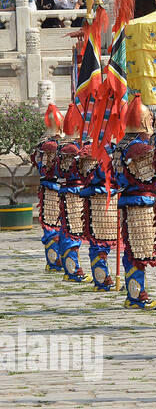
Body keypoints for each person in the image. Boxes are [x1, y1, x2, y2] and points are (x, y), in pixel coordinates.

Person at [114, 96, 156, 311]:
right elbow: (150, 177)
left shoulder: (123, 144)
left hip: (131, 200)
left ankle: (135, 293)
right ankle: (136, 296)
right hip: (139, 202)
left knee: (133, 250)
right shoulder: (139, 148)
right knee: (138, 252)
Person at [77, 133, 117, 292]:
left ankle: (104, 278)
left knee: (107, 241)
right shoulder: (89, 149)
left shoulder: (112, 147)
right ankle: (101, 280)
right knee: (99, 242)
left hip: (112, 197)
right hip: (98, 199)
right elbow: (91, 175)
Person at [55, 107, 88, 282]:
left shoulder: (63, 147)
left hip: (69, 191)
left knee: (68, 228)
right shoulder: (71, 149)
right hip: (73, 192)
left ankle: (71, 267)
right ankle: (72, 269)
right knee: (72, 230)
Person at [34, 104, 64, 274]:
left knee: (61, 226)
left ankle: (58, 260)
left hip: (58, 188)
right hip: (51, 188)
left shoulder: (46, 143)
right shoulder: (48, 145)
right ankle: (54, 261)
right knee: (52, 226)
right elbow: (45, 169)